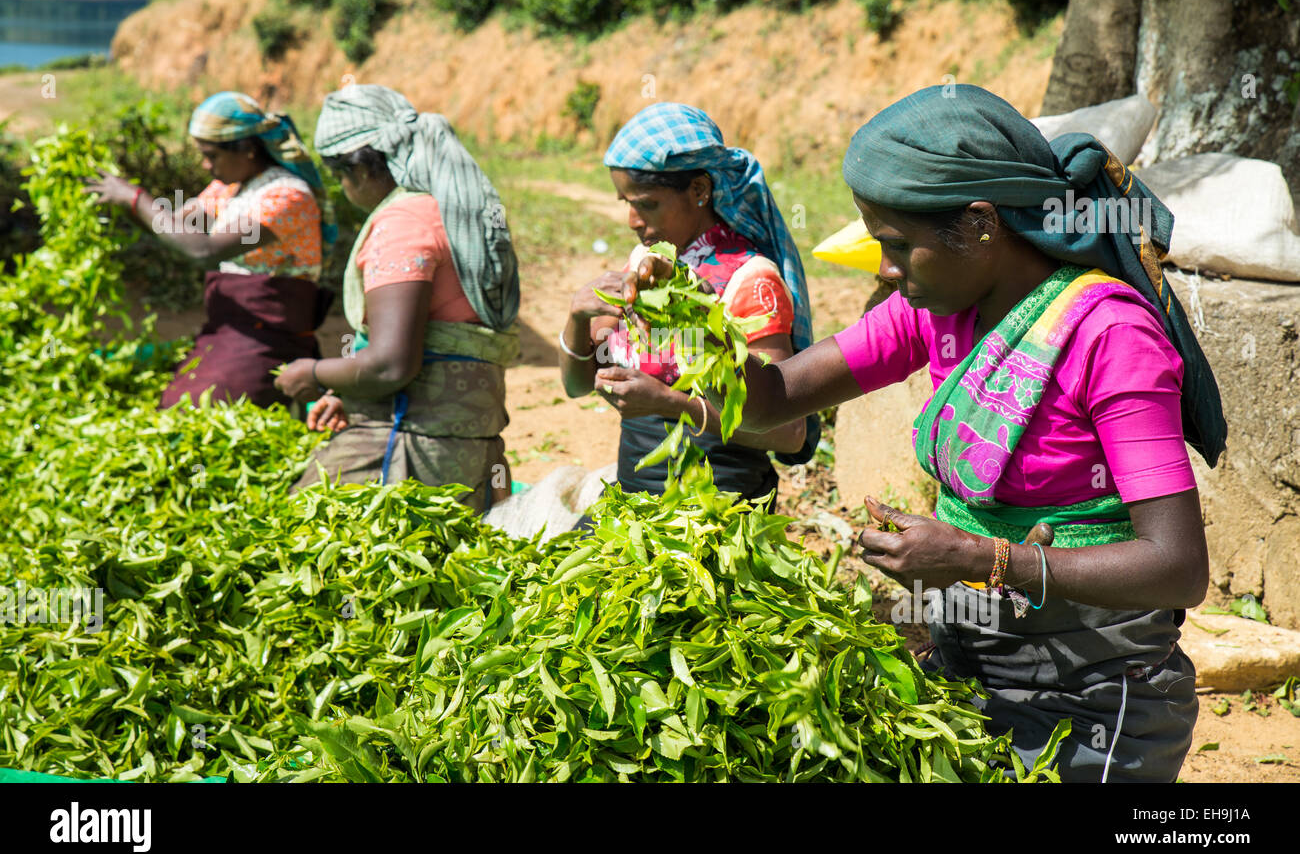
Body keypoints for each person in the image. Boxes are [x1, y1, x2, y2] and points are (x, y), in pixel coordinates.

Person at [731, 84, 1228, 782]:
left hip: (1095, 692)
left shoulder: (1109, 337)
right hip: (971, 666)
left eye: (899, 245)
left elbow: (1178, 565)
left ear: (983, 225)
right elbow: (771, 399)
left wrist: (984, 559)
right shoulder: (933, 310)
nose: (885, 268)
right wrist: (687, 329)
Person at [273, 84, 520, 512]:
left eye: (339, 177)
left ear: (361, 170)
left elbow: (390, 364)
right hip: (468, 448)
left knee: (305, 523)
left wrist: (313, 373)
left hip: (413, 449)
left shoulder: (404, 222)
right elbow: (436, 338)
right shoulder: (449, 208)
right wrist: (351, 392)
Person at [560, 102, 818, 507]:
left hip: (720, 509)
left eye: (646, 203)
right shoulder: (642, 268)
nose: (631, 219)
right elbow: (576, 386)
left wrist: (669, 403)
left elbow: (787, 433)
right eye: (624, 202)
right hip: (637, 502)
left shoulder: (749, 282)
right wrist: (577, 318)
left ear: (699, 190)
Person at [87, 91, 334, 409]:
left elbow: (205, 250)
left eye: (212, 155)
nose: (206, 165)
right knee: (175, 399)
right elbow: (176, 228)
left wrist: (136, 199)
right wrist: (127, 208)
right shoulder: (230, 188)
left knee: (200, 407)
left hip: (268, 337)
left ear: (246, 148)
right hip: (229, 328)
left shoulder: (287, 199)